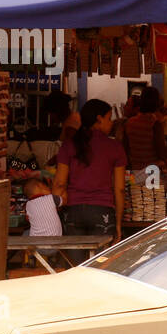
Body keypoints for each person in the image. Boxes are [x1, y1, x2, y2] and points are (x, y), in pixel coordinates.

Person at [54, 99, 126, 243]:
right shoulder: (115, 147)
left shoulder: (69, 145)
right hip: (103, 212)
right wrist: (118, 223)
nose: (111, 122)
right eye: (109, 118)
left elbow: (59, 184)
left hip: (73, 212)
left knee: (75, 264)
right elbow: (120, 189)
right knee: (99, 264)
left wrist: (55, 215)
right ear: (99, 119)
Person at [121, 86, 167, 174]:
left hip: (134, 170)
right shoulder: (155, 124)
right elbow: (161, 152)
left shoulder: (129, 123)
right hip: (152, 172)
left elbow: (125, 149)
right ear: (157, 103)